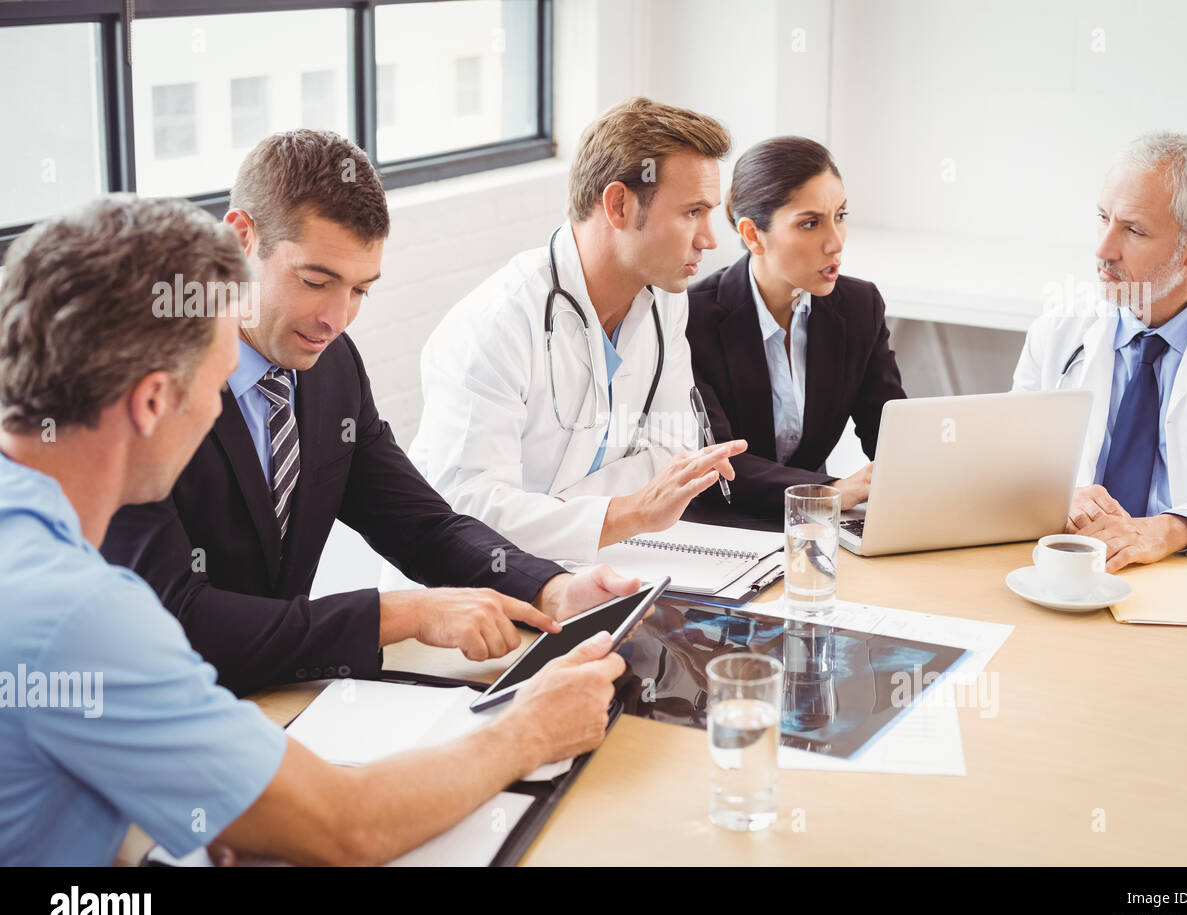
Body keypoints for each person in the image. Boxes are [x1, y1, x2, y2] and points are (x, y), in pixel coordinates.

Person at [0, 196, 626, 865]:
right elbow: (347, 826)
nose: (222, 404)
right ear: (153, 401)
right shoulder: (83, 615)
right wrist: (528, 731)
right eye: (216, 386)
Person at [102, 131, 638, 697]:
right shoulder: (147, 386)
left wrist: (548, 588)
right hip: (155, 707)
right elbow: (176, 618)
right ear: (241, 239)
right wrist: (400, 614)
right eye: (315, 281)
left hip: (281, 696)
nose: (336, 319)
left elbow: (421, 525)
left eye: (361, 290)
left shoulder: (331, 367)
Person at [396, 97, 747, 566]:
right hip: (469, 598)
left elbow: (674, 450)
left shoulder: (666, 299)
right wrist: (629, 510)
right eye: (692, 213)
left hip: (594, 568)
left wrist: (556, 510)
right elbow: (468, 511)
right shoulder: (496, 323)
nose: (709, 239)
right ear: (619, 205)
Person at [1013, 132, 1187, 569]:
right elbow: (1009, 461)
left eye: (1133, 230)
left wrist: (1169, 529)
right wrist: (1057, 498)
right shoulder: (1057, 330)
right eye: (1103, 217)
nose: (1103, 250)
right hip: (1073, 566)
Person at [686, 136, 905, 518]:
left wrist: (931, 468)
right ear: (753, 235)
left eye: (840, 216)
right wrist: (833, 491)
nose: (835, 243)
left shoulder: (859, 307)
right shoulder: (692, 317)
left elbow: (890, 434)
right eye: (810, 223)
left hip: (816, 526)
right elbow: (717, 463)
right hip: (723, 526)